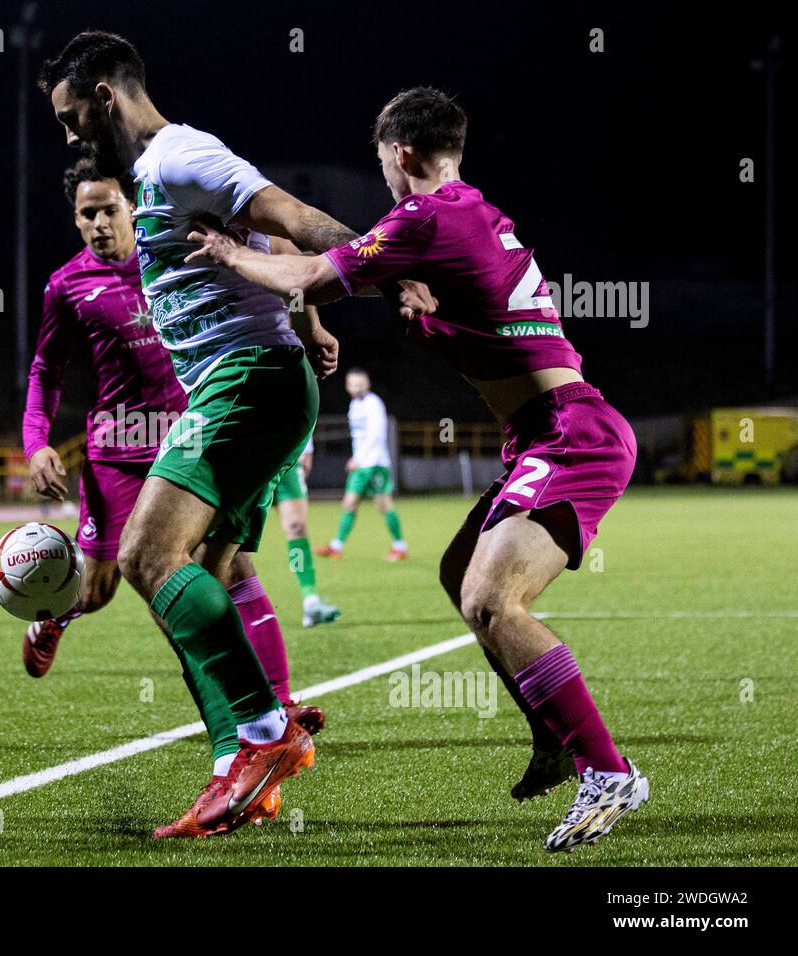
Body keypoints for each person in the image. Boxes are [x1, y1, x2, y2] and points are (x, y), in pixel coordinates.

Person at [187, 87, 647, 852]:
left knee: (491, 600)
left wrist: (231, 252)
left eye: (382, 164)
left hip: (570, 435)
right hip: (550, 429)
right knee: (458, 570)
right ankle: (555, 736)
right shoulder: (480, 214)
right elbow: (509, 326)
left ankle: (608, 769)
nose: (385, 181)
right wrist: (434, 328)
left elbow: (308, 279)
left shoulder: (427, 215)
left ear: (400, 154)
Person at [39, 31, 436, 838]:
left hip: (247, 376)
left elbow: (290, 216)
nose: (71, 136)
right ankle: (236, 769)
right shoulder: (150, 174)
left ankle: (264, 732)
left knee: (150, 558)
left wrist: (384, 270)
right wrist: (312, 315)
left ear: (105, 95)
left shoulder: (184, 155)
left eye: (72, 117)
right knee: (206, 576)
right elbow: (270, 246)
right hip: (237, 381)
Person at [21, 160, 325, 809]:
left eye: (109, 209)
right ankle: (56, 615)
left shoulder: (170, 258)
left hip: (186, 432)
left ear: (133, 207)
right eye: (86, 214)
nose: (99, 224)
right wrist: (38, 441)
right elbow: (47, 368)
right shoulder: (67, 286)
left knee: (225, 570)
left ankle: (269, 717)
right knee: (99, 588)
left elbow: (273, 258)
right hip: (115, 457)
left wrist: (311, 325)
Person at [317, 368, 408, 561]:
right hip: (363, 463)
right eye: (351, 384)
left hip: (374, 463)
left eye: (359, 384)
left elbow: (376, 435)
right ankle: (336, 546)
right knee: (352, 503)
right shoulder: (354, 405)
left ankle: (399, 547)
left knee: (381, 504)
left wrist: (358, 459)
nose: (355, 387)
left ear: (367, 384)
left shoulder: (373, 403)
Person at [269, 429, 341, 626]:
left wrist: (306, 450)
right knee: (236, 535)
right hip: (250, 455)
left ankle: (309, 599)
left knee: (297, 527)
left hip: (288, 459)